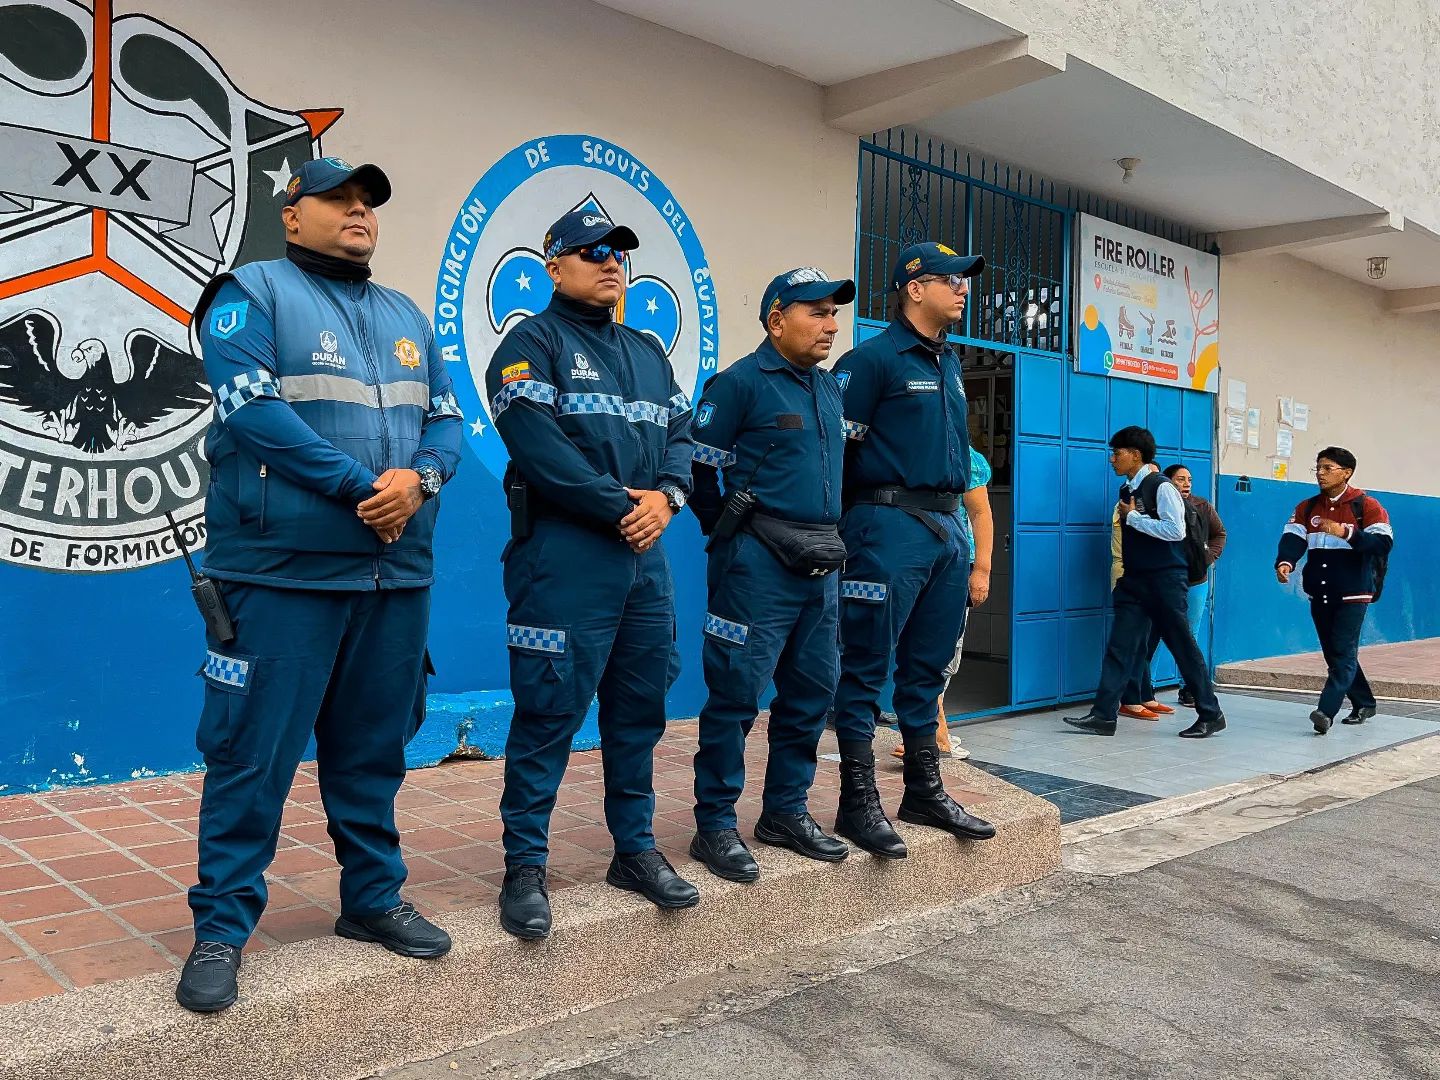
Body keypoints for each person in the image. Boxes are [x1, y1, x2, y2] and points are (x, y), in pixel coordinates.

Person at [179, 158, 463, 1013]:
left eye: (367, 201)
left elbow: (446, 420)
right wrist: (360, 489)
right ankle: (222, 928)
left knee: (373, 753)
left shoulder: (407, 314)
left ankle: (372, 900)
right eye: (337, 198)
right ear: (291, 214)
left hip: (393, 575)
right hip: (280, 577)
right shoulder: (249, 294)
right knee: (250, 758)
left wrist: (420, 483)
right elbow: (254, 411)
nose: (356, 211)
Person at [485, 208, 697, 939]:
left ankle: (634, 851)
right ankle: (524, 869)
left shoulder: (647, 351)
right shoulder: (530, 343)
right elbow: (541, 450)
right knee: (547, 715)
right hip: (566, 556)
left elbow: (684, 439)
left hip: (644, 558)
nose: (611, 263)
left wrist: (666, 500)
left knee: (639, 711)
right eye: (592, 252)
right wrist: (621, 508)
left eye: (619, 255)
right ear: (554, 265)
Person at [686, 268, 855, 881]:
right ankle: (715, 825)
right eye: (816, 313)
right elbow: (697, 467)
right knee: (735, 696)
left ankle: (784, 810)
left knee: (812, 692)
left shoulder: (830, 389)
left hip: (821, 563)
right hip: (755, 567)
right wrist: (729, 529)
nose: (831, 325)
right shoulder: (736, 385)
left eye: (834, 314)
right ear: (776, 319)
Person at [829, 241, 997, 860]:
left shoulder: (949, 363)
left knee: (928, 667)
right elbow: (836, 453)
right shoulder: (871, 361)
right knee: (867, 663)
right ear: (915, 287)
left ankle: (923, 790)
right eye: (952, 279)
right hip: (887, 525)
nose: (964, 289)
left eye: (965, 279)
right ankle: (858, 799)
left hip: (948, 528)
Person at [1065, 426, 1226, 740]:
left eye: (1117, 453)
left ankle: (1211, 712)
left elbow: (1175, 531)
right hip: (1135, 581)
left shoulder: (1160, 487)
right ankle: (1103, 716)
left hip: (1165, 580)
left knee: (1183, 646)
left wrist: (1133, 518)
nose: (1112, 459)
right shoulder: (1126, 491)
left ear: (1135, 455)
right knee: (1120, 647)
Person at [1275, 447, 1393, 734]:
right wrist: (1286, 562)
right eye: (1318, 468)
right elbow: (1292, 537)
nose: (1320, 473)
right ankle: (1365, 702)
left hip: (1354, 592)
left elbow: (1382, 544)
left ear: (1346, 472)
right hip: (1320, 591)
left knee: (1342, 651)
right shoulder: (1307, 507)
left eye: (1328, 468)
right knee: (1336, 653)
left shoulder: (1366, 506)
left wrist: (1347, 533)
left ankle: (1325, 711)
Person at [895, 443, 993, 761]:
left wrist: (982, 570)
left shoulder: (966, 458)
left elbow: (980, 514)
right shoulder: (901, 449)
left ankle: (934, 733)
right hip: (910, 562)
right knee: (913, 646)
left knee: (944, 648)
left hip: (955, 565)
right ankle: (932, 730)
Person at [1121, 463, 1228, 715]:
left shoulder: (1202, 506)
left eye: (1189, 479)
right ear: (1167, 483)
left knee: (1187, 637)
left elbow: (1219, 534)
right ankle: (1148, 690)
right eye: (1180, 479)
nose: (1186, 484)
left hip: (1195, 582)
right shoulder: (1153, 508)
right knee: (1151, 638)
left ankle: (1189, 690)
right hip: (1163, 583)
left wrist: (1207, 558)